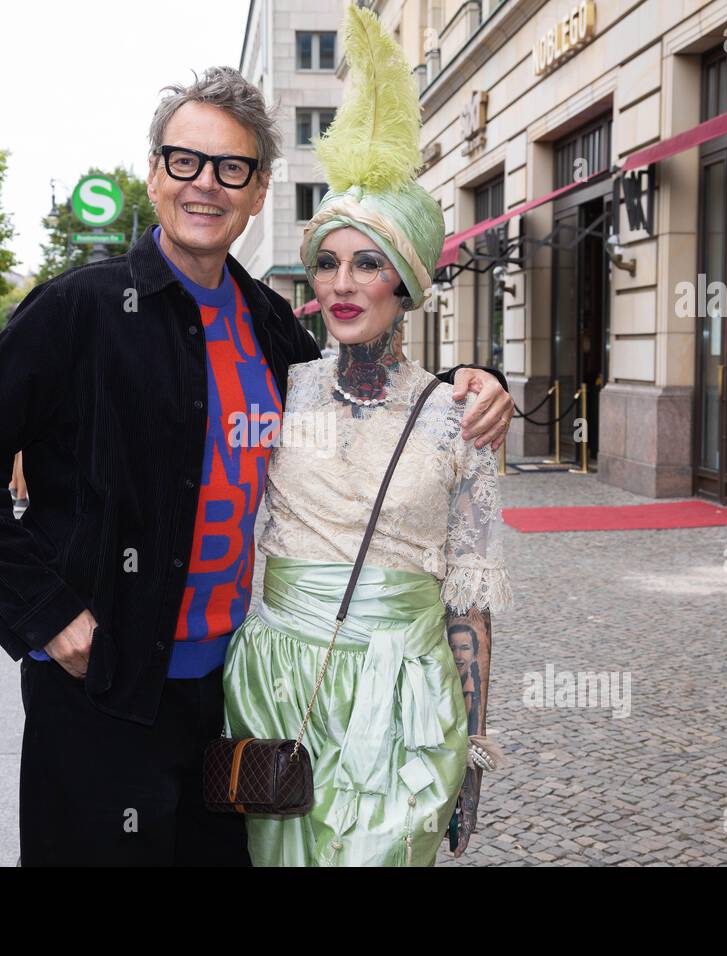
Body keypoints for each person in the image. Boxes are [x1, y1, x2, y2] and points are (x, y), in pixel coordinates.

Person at [0, 62, 515, 866]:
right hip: (103, 691)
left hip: (236, 694)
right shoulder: (79, 309)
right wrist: (45, 610)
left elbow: (362, 389)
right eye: (184, 161)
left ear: (260, 190)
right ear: (154, 175)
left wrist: (475, 383)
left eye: (233, 168)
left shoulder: (271, 327)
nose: (206, 184)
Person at [220, 4, 507, 867]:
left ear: (408, 281)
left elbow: (472, 599)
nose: (344, 285)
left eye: (369, 263)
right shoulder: (274, 388)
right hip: (280, 686)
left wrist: (475, 751)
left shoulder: (463, 414)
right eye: (328, 262)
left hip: (407, 696)